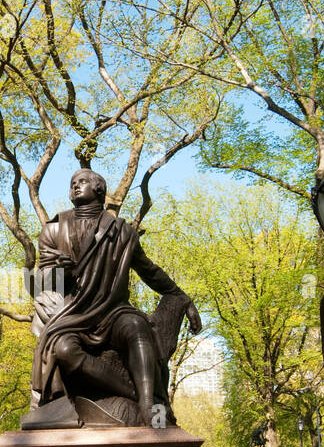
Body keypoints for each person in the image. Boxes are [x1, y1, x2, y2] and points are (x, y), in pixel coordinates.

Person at [25, 168, 201, 427]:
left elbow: (148, 270)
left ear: (99, 189)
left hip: (113, 310)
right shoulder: (53, 229)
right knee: (62, 349)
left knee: (136, 326)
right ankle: (134, 393)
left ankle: (147, 405)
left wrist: (181, 296)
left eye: (81, 181)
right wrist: (61, 272)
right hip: (72, 311)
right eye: (72, 183)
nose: (74, 186)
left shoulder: (122, 232)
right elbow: (43, 282)